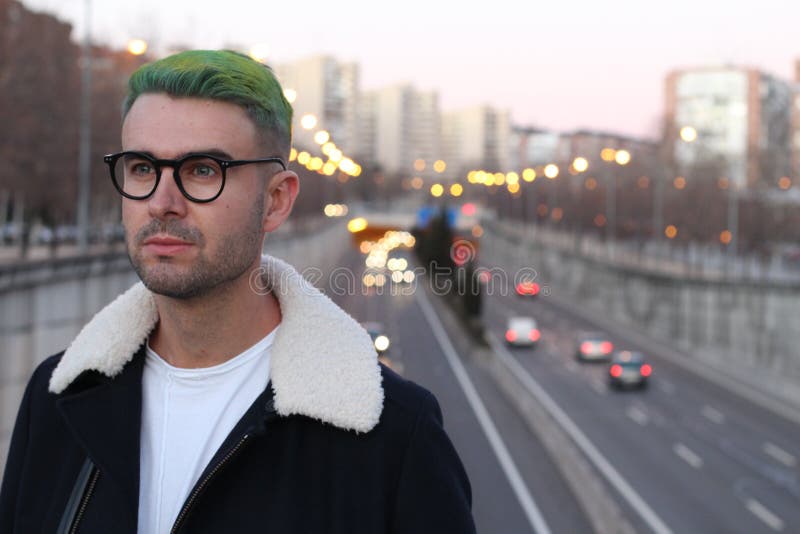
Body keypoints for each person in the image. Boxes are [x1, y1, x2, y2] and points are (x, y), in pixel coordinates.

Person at [0, 50, 475, 533]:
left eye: (202, 170)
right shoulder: (57, 398)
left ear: (275, 201)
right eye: (142, 168)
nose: (163, 203)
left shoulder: (393, 437)